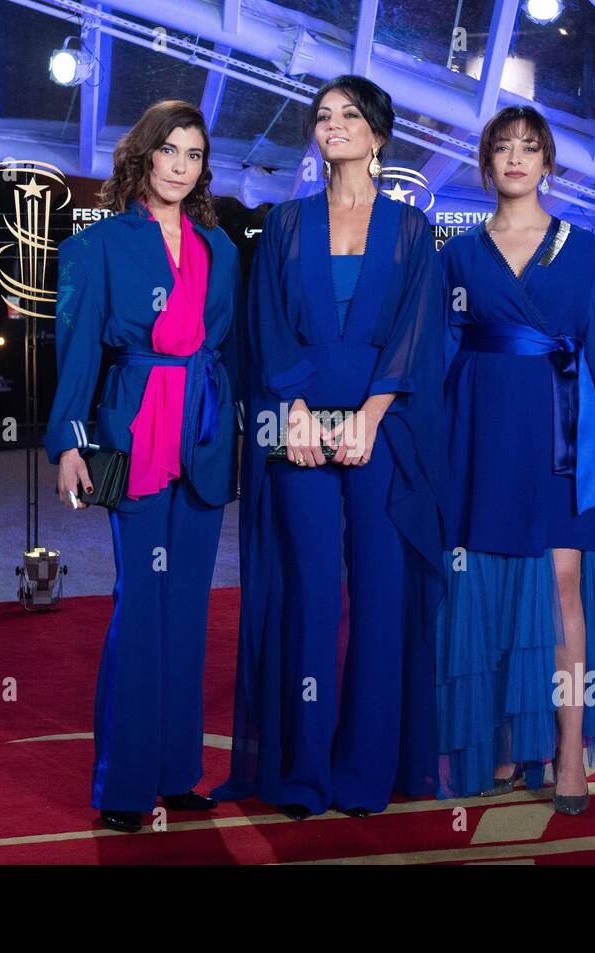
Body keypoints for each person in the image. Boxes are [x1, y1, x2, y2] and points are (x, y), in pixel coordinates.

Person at [211, 75, 447, 819]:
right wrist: (299, 411)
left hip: (385, 431)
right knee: (308, 594)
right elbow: (266, 327)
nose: (332, 125)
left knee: (380, 597)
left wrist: (372, 416)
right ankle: (302, 773)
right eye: (323, 116)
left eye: (349, 115)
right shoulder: (284, 224)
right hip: (298, 428)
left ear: (378, 134)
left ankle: (364, 773)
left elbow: (418, 332)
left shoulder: (411, 230)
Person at [46, 100, 242, 833]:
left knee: (189, 612)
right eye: (169, 151)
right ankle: (125, 785)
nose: (180, 165)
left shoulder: (221, 249)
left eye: (193, 154)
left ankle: (177, 772)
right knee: (140, 605)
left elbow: (231, 351)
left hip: (204, 435)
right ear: (144, 158)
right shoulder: (98, 249)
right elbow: (79, 353)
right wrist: (68, 441)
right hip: (134, 436)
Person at [436, 105, 595, 814]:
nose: (516, 158)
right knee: (483, 582)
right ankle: (492, 740)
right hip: (482, 432)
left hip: (563, 432)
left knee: (562, 583)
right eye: (502, 147)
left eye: (530, 147)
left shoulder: (583, 249)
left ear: (548, 162)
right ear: (486, 162)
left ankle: (570, 750)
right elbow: (440, 354)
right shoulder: (456, 255)